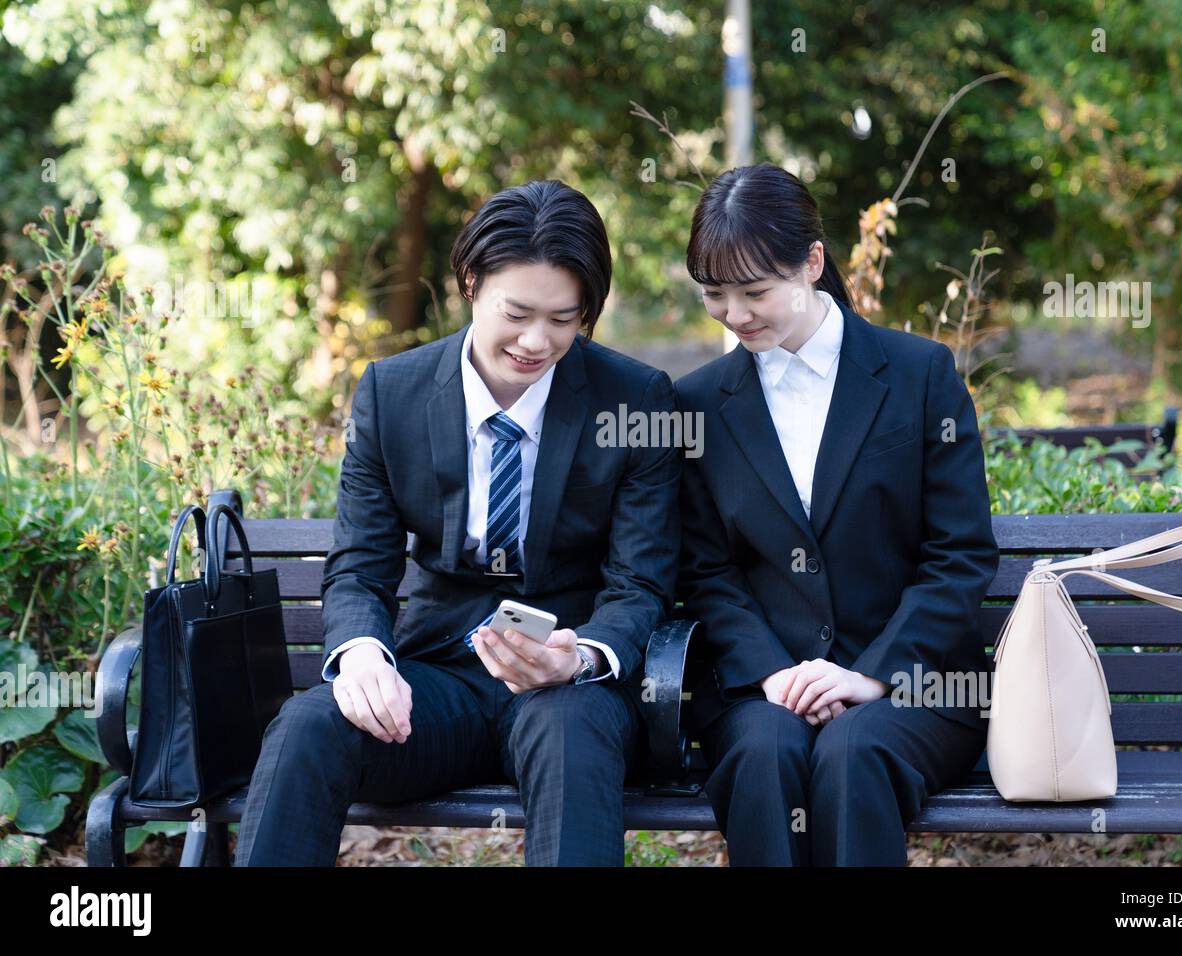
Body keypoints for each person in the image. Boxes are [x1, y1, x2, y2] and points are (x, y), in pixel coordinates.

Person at [234, 179, 681, 866]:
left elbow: (639, 583)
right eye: (518, 312)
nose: (538, 341)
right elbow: (359, 563)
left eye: (565, 319)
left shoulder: (636, 400)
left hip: (568, 689)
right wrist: (360, 655)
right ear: (471, 282)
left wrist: (583, 655)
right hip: (439, 680)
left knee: (570, 735)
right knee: (309, 725)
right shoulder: (393, 393)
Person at [674, 163, 998, 866]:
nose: (736, 315)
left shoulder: (920, 376)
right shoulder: (696, 404)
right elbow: (705, 572)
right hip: (759, 686)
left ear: (813, 263)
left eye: (755, 291)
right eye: (715, 296)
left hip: (917, 681)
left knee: (853, 752)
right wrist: (773, 675)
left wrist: (872, 674)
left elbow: (961, 554)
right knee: (764, 752)